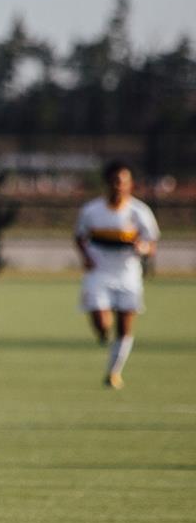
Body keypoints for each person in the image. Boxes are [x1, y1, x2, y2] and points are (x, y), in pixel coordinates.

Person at [75, 161, 160, 389]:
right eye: (114, 181)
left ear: (130, 184)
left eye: (123, 181)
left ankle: (114, 372)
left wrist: (144, 248)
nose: (118, 186)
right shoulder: (91, 211)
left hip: (128, 275)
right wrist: (86, 257)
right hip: (99, 273)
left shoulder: (139, 212)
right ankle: (103, 334)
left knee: (124, 327)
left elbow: (151, 243)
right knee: (102, 323)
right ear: (107, 183)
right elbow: (80, 237)